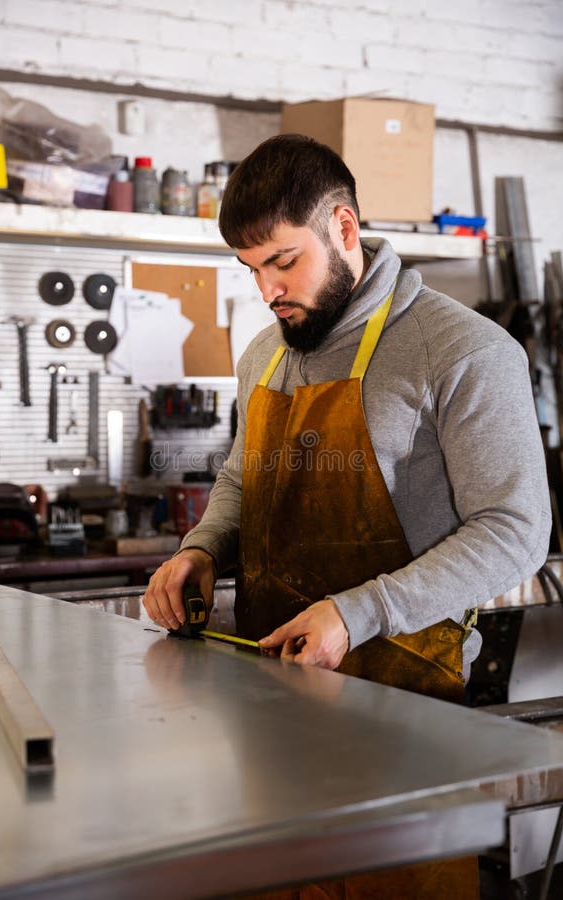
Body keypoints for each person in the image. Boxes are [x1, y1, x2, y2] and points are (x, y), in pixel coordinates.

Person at [143, 133, 550, 898]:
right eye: (251, 268)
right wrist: (201, 549)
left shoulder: (462, 351)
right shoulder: (264, 351)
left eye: (283, 261)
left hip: (403, 714)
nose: (266, 289)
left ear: (344, 229)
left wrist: (357, 613)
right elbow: (243, 477)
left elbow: (516, 532)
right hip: (268, 704)